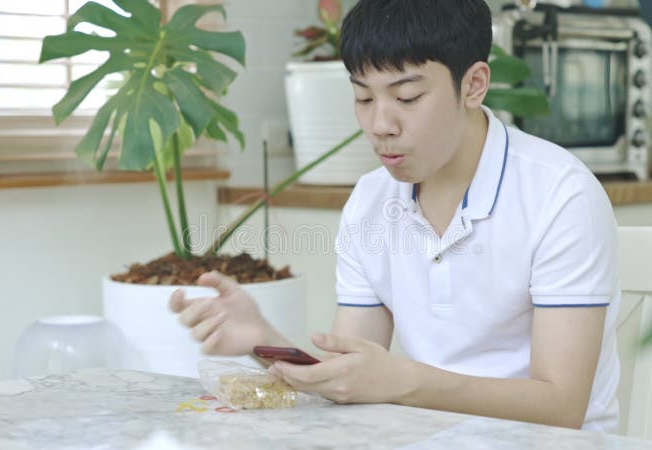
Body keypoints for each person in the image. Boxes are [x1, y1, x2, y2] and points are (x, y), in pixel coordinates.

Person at [169, 0, 620, 432]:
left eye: (407, 97)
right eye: (364, 99)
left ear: (474, 85)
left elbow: (562, 407)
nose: (380, 124)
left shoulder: (560, 194)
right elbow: (349, 374)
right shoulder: (370, 202)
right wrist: (262, 338)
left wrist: (404, 382)